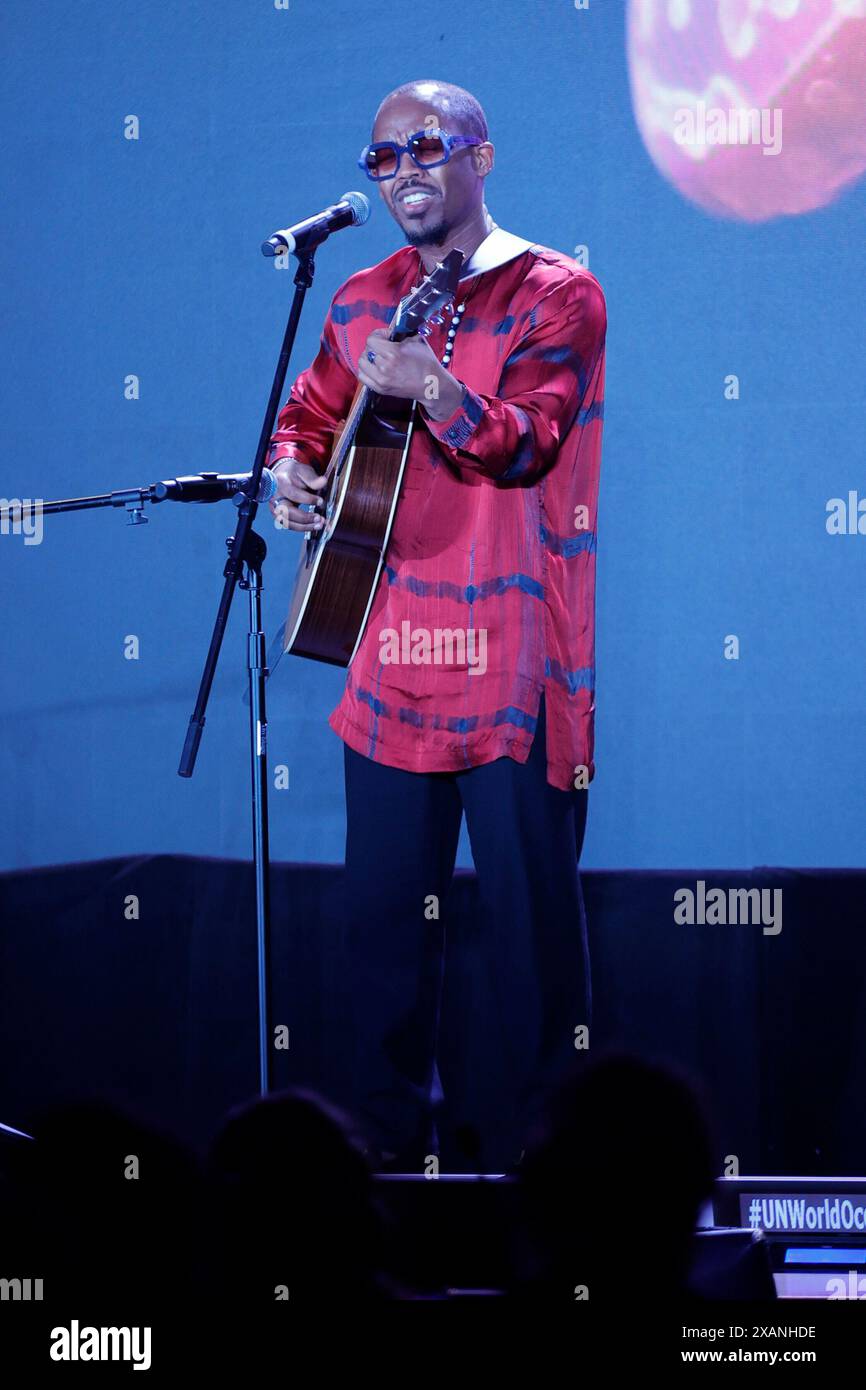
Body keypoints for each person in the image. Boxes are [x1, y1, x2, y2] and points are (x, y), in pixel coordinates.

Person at [268, 79, 606, 1171]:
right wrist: (291, 475)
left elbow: (527, 441)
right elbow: (308, 416)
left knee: (533, 968)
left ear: (480, 157)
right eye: (381, 159)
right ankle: (380, 1213)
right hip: (385, 666)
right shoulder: (363, 295)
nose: (401, 171)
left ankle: (559, 1213)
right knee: (379, 962)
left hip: (511, 667)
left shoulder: (556, 291)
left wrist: (436, 393)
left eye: (423, 148)